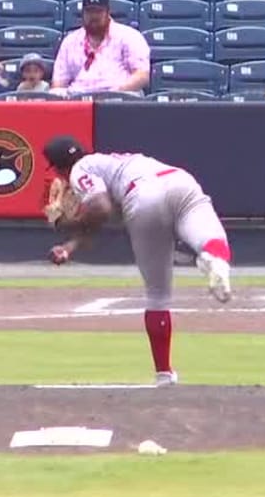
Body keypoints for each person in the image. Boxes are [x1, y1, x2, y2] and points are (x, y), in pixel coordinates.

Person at [42, 136, 233, 387]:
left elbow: (100, 209)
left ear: (58, 167)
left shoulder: (80, 169)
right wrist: (69, 247)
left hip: (143, 197)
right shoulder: (109, 162)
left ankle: (164, 374)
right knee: (210, 239)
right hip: (179, 180)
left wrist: (66, 223)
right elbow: (101, 216)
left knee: (158, 296)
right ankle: (213, 259)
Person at [51, 0, 151, 95]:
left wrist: (116, 92)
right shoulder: (70, 41)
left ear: (108, 13)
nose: (94, 16)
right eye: (89, 12)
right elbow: (59, 82)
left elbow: (142, 75)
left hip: (118, 97)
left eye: (98, 12)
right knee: (55, 93)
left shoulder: (129, 36)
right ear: (83, 14)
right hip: (78, 98)